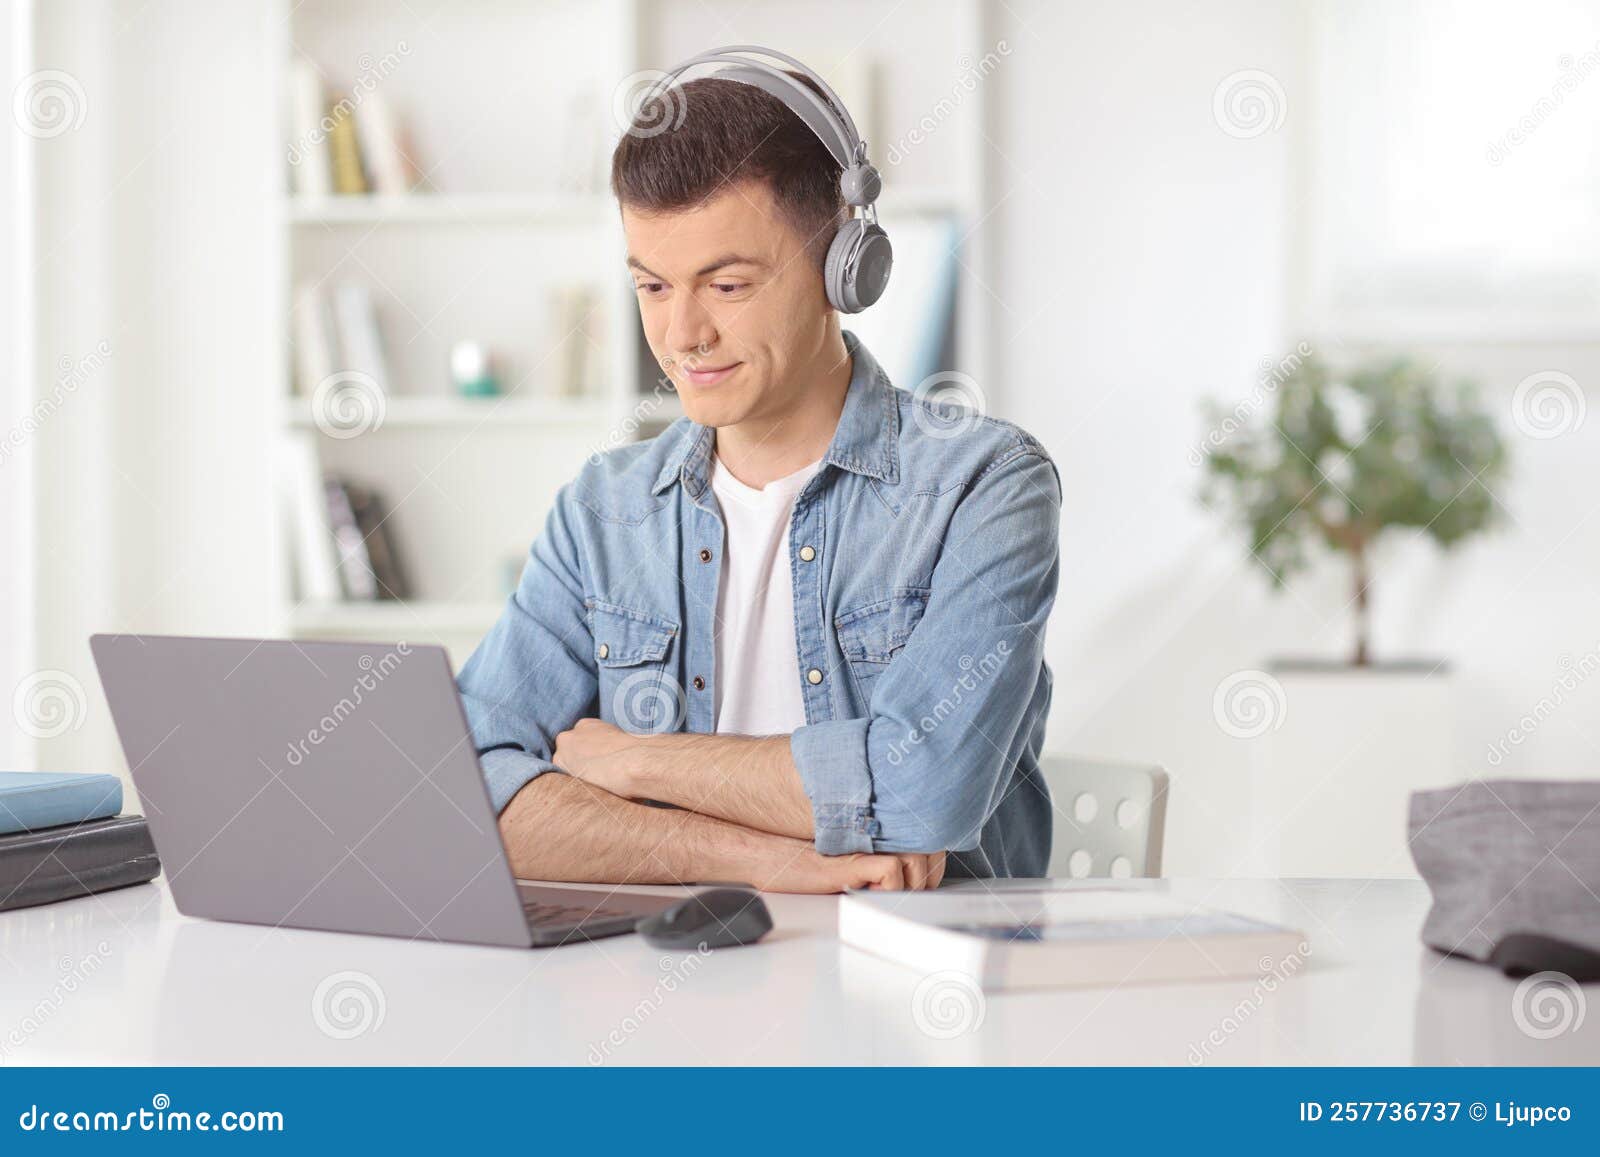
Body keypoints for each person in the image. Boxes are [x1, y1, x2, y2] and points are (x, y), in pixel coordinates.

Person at [458, 58, 1060, 893]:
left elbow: (923, 792)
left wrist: (633, 760)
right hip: (663, 982)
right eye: (653, 286)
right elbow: (466, 789)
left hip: (917, 992)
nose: (682, 334)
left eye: (728, 283)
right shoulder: (605, 510)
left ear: (845, 265)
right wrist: (773, 860)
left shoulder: (986, 485)